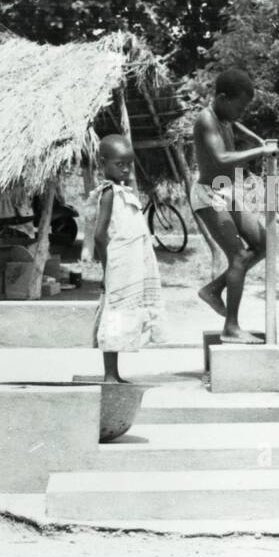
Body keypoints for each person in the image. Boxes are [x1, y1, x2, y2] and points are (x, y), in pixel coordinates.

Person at [191, 68, 279, 343]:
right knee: (239, 257)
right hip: (209, 195)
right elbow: (220, 157)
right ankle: (231, 327)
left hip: (226, 191)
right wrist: (260, 151)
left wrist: (259, 148)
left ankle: (213, 289)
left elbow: (235, 155)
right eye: (239, 107)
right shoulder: (206, 120)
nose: (241, 113)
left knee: (265, 243)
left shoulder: (227, 118)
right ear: (222, 97)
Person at [89, 135, 163, 382]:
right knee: (114, 318)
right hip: (118, 266)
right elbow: (99, 235)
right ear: (103, 163)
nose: (125, 168)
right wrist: (107, 269)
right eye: (119, 163)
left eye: (128, 164)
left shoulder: (123, 191)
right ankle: (110, 374)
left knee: (122, 318)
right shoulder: (108, 193)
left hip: (128, 267)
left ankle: (115, 373)